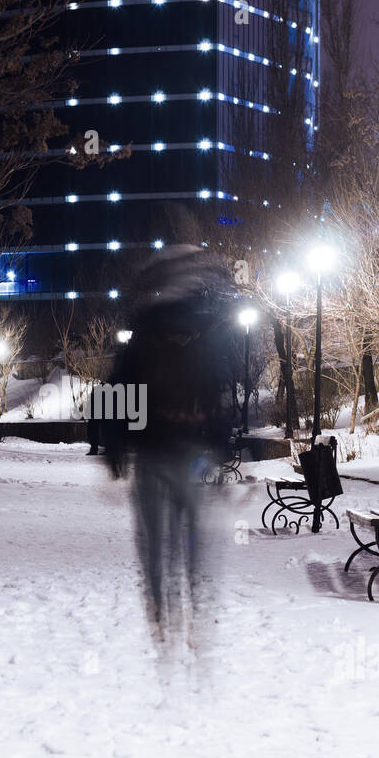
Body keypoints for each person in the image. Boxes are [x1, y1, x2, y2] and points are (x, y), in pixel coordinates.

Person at [103, 245, 236, 646]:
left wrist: (113, 453)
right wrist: (222, 451)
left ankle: (161, 610)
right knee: (192, 534)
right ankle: (191, 607)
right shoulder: (208, 333)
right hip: (189, 452)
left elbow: (116, 394)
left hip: (152, 451)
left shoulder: (143, 333)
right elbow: (220, 398)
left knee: (155, 538)